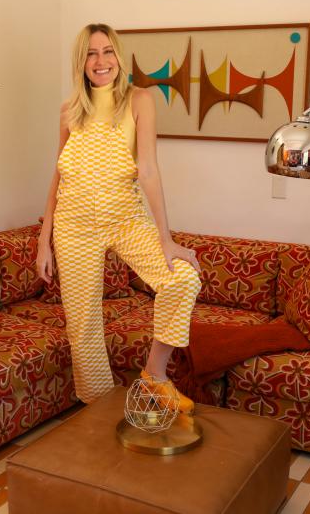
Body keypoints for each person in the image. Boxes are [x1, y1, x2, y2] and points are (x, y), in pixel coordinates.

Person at [35, 23, 202, 413]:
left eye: (108, 51)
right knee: (84, 327)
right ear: (82, 62)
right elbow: (59, 173)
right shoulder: (70, 110)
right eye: (92, 53)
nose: (101, 61)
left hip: (125, 217)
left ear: (118, 57)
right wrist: (45, 239)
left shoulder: (139, 100)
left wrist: (166, 239)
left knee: (182, 278)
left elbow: (148, 169)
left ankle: (154, 376)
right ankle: (101, 412)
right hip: (73, 226)